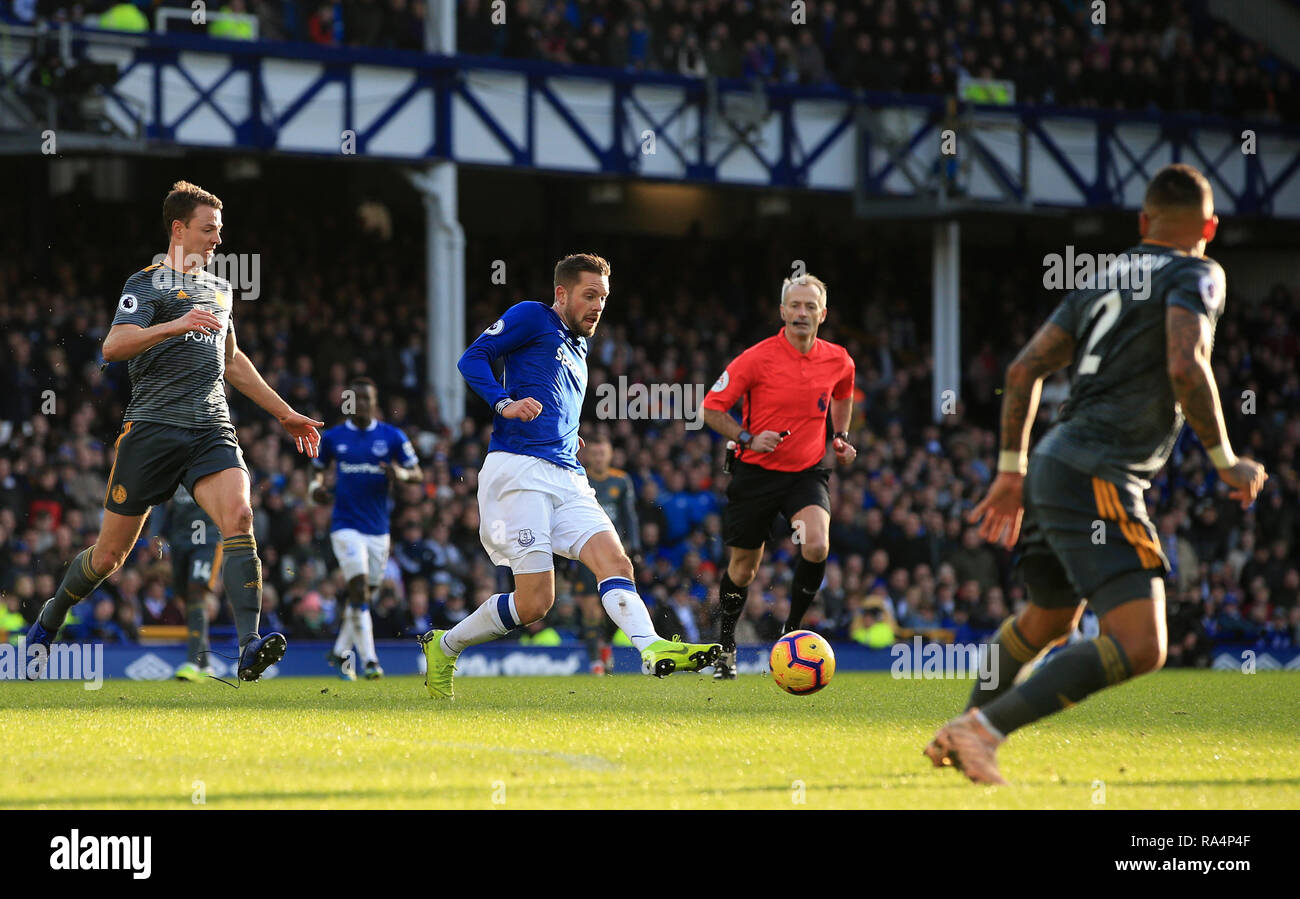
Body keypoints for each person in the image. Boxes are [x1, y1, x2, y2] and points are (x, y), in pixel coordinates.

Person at [924, 163, 1269, 784]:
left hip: (1052, 462)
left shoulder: (1100, 277)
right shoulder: (1198, 271)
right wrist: (1226, 460)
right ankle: (981, 731)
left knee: (1049, 619)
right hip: (1097, 470)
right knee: (1142, 644)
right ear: (1210, 228)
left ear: (1143, 223)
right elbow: (1187, 365)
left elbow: (1025, 369)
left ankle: (963, 731)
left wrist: (1010, 471)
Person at [26, 181, 323, 682]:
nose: (217, 240)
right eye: (209, 230)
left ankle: (249, 643)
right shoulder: (146, 284)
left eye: (221, 231)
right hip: (152, 430)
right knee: (110, 557)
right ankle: (50, 618)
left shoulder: (222, 289)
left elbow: (232, 362)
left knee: (241, 516)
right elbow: (114, 346)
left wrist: (284, 412)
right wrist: (176, 325)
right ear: (179, 229)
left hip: (210, 427)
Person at [419, 253, 721, 699]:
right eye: (589, 295)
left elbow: (551, 397)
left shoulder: (580, 345)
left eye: (603, 297)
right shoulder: (531, 316)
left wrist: (568, 435)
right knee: (536, 603)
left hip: (567, 473)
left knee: (617, 563)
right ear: (562, 294)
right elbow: (472, 359)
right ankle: (445, 646)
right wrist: (504, 404)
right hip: (518, 470)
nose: (598, 305)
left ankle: (652, 647)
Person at [700, 273, 857, 679]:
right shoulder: (756, 358)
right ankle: (727, 646)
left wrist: (839, 437)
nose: (801, 313)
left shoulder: (838, 359)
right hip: (756, 473)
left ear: (822, 314)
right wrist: (748, 438)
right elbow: (711, 408)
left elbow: (843, 394)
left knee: (817, 544)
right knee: (743, 571)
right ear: (782, 311)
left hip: (805, 473)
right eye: (795, 305)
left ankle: (791, 633)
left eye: (810, 307)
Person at [310, 376, 422, 680]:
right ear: (348, 403)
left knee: (364, 597)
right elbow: (317, 474)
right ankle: (371, 660)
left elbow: (417, 474)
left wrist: (399, 472)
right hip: (345, 525)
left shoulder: (392, 436)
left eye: (366, 399)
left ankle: (339, 652)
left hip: (379, 530)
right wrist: (315, 490)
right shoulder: (333, 438)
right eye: (355, 399)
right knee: (358, 588)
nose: (361, 404)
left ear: (375, 404)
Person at [573, 431, 640, 674]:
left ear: (610, 454)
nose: (599, 457)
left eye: (603, 452)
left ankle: (606, 647)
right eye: (595, 453)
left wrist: (636, 547)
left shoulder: (621, 481)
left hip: (615, 554)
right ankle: (595, 663)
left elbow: (629, 516)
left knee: (618, 607)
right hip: (587, 554)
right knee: (591, 610)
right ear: (587, 455)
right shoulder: (579, 479)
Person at [164, 484, 222, 681]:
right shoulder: (172, 465)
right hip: (179, 540)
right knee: (186, 600)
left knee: (196, 592)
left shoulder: (210, 461)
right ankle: (206, 666)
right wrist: (157, 533)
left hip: (206, 538)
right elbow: (162, 503)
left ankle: (192, 663)